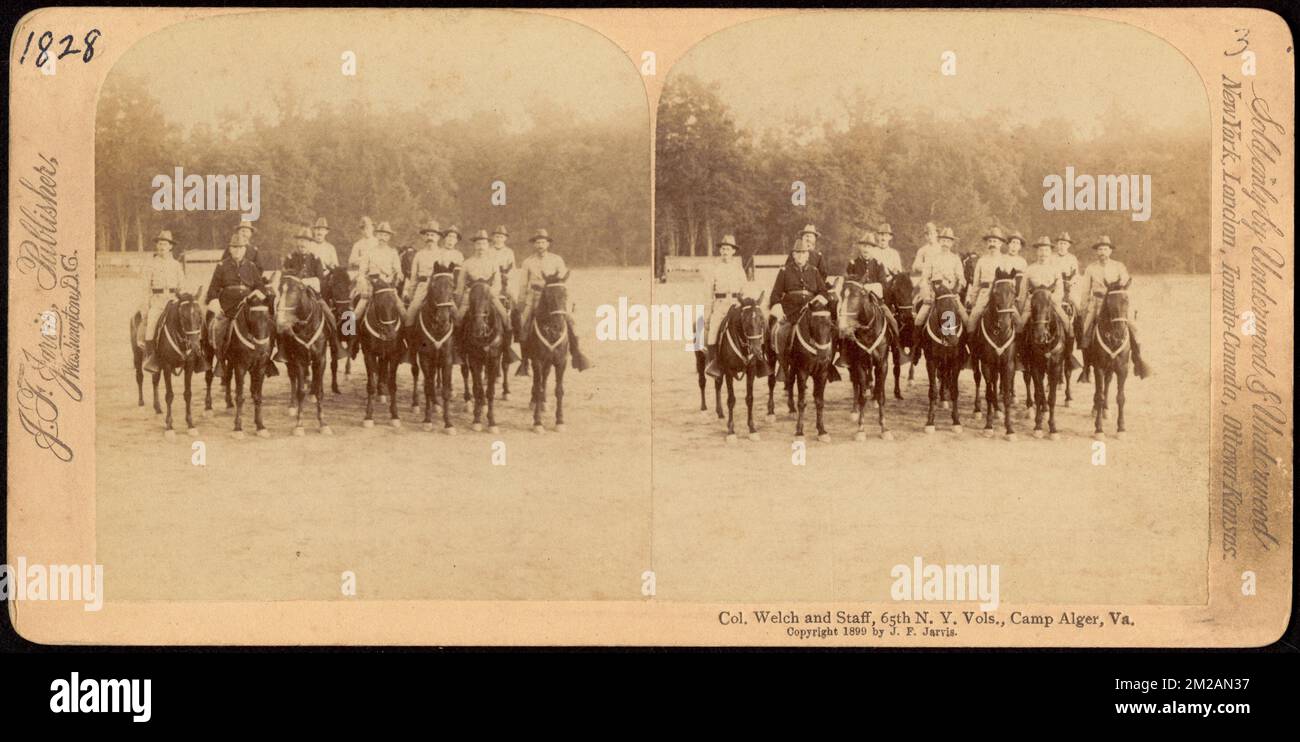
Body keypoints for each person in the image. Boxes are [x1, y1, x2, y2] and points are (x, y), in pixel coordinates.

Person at [515, 228, 591, 372]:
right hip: (535, 296)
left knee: (571, 322)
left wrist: (570, 301)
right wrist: (521, 301)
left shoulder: (556, 259)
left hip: (555, 298)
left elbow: (564, 281)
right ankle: (525, 361)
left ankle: (577, 354)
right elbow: (523, 283)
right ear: (534, 245)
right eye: (537, 242)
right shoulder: (528, 262)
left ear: (548, 244)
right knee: (524, 323)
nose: (540, 245)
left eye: (543, 242)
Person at [1077, 236, 1151, 377]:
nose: (1102, 252)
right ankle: (1086, 367)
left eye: (1105, 249)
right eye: (1099, 249)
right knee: (1086, 329)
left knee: (1134, 327)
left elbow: (1125, 287)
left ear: (1110, 251)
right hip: (1098, 303)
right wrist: (1084, 307)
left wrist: (1129, 304)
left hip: (1117, 304)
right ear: (1096, 252)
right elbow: (1085, 290)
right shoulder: (1091, 268)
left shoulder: (1119, 266)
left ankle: (1138, 360)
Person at [207, 232, 276, 375]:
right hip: (228, 307)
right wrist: (217, 307)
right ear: (230, 249)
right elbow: (212, 290)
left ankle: (266, 359)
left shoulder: (251, 266)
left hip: (248, 306)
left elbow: (260, 287)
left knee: (268, 324)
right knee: (218, 328)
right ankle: (220, 360)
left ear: (245, 249)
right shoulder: (221, 266)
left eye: (240, 248)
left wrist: (252, 297)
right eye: (234, 247)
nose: (237, 250)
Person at [769, 237, 830, 359]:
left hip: (811, 311)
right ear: (793, 255)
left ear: (808, 255)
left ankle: (826, 363)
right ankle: (783, 361)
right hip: (791, 311)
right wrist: (779, 311)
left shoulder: (814, 271)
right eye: (798, 253)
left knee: (828, 329)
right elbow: (775, 294)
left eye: (803, 253)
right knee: (780, 332)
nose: (801, 256)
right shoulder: (784, 271)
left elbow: (823, 292)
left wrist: (815, 303)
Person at [139, 229, 187, 373]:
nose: (161, 247)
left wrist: (183, 301)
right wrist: (145, 307)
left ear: (170, 246)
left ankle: (192, 354)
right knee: (152, 323)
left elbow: (182, 286)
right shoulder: (150, 264)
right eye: (159, 244)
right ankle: (151, 357)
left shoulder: (176, 265)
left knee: (189, 321)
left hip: (173, 300)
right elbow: (144, 287)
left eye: (165, 244)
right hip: (158, 301)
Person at [703, 234, 749, 378]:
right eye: (723, 249)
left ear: (733, 251)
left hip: (736, 306)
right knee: (713, 332)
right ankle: (713, 363)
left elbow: (745, 290)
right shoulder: (714, 270)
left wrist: (745, 307)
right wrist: (708, 314)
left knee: (751, 328)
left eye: (728, 249)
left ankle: (753, 360)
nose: (725, 252)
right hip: (720, 306)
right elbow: (708, 294)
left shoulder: (739, 269)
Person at [839, 230, 899, 343]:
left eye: (869, 247)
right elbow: (847, 284)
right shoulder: (853, 264)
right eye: (864, 246)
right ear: (860, 247)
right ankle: (843, 353)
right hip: (855, 302)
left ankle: (897, 350)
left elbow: (884, 285)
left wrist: (870, 287)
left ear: (873, 249)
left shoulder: (878, 264)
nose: (866, 249)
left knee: (892, 320)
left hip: (875, 300)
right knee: (843, 322)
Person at [1016, 236, 1073, 335]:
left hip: (1051, 303)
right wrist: (1021, 310)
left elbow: (1060, 291)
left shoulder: (1055, 270)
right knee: (1020, 324)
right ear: (1037, 252)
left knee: (1067, 324)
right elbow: (1023, 292)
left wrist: (1051, 300)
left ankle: (1068, 350)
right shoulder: (1030, 269)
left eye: (1046, 250)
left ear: (1050, 252)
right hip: (1032, 304)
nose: (1043, 253)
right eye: (1041, 250)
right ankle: (1019, 349)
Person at [914, 227, 968, 329]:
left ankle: (965, 343)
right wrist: (927, 293)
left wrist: (957, 289)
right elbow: (925, 277)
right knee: (919, 319)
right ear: (939, 241)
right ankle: (917, 343)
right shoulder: (932, 258)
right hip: (935, 293)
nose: (945, 244)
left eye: (948, 241)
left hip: (951, 293)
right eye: (943, 240)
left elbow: (961, 278)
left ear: (951, 243)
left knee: (966, 319)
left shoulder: (955, 259)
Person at [353, 221, 404, 326]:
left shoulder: (393, 252)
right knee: (357, 311)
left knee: (403, 311)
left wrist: (398, 276)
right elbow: (361, 272)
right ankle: (350, 336)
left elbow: (398, 271)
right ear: (376, 235)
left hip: (388, 286)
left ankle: (404, 339)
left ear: (389, 237)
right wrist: (363, 283)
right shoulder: (369, 252)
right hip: (372, 285)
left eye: (385, 235)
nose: (382, 237)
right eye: (380, 234)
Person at [456, 230, 512, 326]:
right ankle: (457, 340)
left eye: (483, 244)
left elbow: (497, 283)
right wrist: (459, 299)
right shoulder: (467, 263)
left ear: (487, 246)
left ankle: (508, 339)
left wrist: (491, 292)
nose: (481, 247)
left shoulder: (493, 263)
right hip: (471, 294)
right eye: (478, 244)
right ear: (474, 245)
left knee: (505, 318)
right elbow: (460, 284)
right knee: (458, 318)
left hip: (488, 293)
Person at [402, 219, 449, 325]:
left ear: (438, 238)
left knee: (454, 313)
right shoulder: (419, 254)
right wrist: (411, 294)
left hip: (439, 287)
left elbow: (446, 275)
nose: (429, 238)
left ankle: (456, 339)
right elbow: (414, 277)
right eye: (427, 235)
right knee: (411, 312)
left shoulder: (443, 254)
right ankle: (408, 339)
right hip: (422, 286)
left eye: (432, 235)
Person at [965, 227, 1010, 331]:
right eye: (990, 241)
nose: (992, 244)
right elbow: (976, 283)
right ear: (987, 244)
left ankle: (1017, 346)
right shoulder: (982, 260)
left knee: (1017, 320)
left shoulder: (1005, 260)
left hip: (1001, 295)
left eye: (995, 241)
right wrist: (973, 300)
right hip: (984, 293)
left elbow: (1009, 282)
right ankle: (970, 344)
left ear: (1000, 244)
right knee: (973, 318)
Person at [1054, 232, 1081, 315]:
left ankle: (1079, 323)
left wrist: (1070, 283)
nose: (1062, 246)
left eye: (1065, 244)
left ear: (1068, 245)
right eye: (1060, 243)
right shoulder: (1051, 257)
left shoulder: (1072, 258)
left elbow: (1076, 275)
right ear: (1057, 245)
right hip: (1055, 287)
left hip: (1069, 287)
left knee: (1076, 303)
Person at [490, 225, 517, 308]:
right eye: (497, 237)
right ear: (493, 238)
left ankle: (513, 316)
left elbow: (512, 268)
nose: (499, 239)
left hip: (505, 279)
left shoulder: (509, 252)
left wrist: (507, 276)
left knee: (513, 295)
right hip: (491, 279)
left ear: (505, 238)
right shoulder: (488, 250)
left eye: (501, 237)